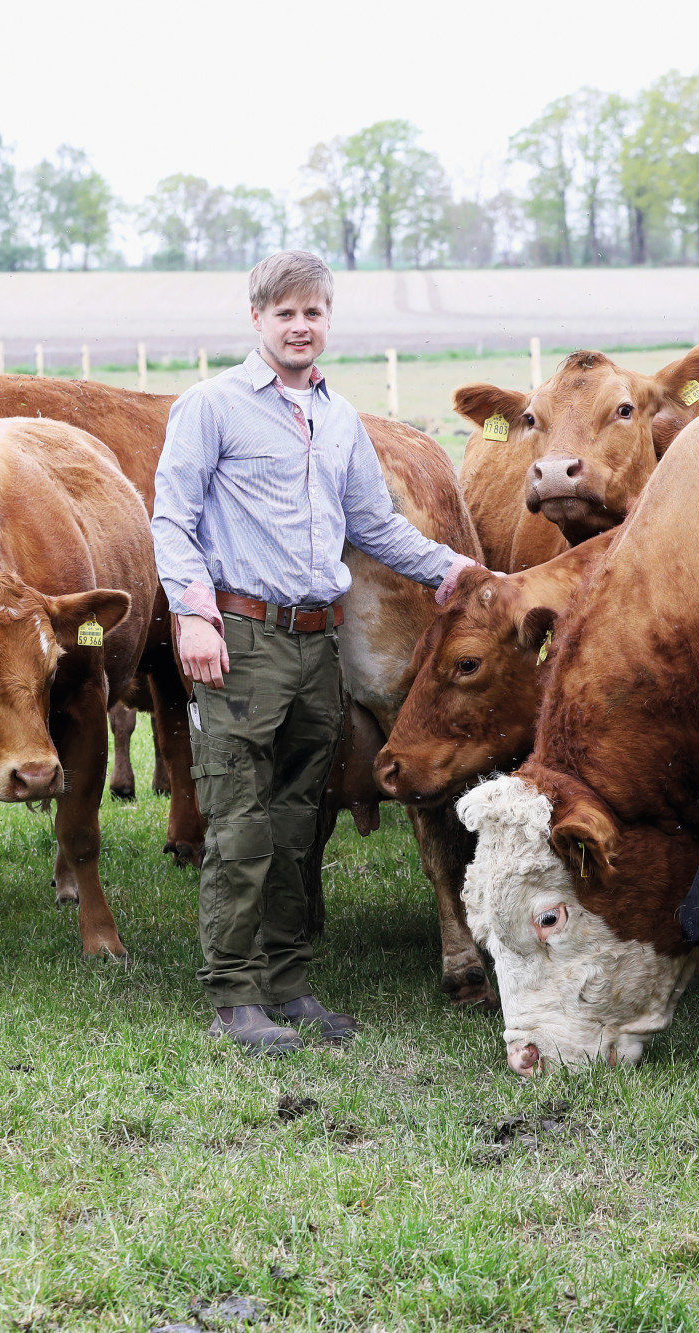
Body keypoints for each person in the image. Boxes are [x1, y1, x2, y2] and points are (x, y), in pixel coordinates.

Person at [152, 250, 478, 1055]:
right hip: (241, 638)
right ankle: (235, 996)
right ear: (257, 319)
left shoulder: (338, 420)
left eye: (313, 313)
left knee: (300, 820)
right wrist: (193, 615)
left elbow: (374, 525)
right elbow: (172, 519)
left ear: (328, 320)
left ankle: (290, 984)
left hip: (314, 641)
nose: (300, 327)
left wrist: (455, 570)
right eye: (285, 313)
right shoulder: (211, 407)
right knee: (239, 819)